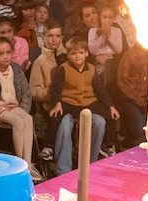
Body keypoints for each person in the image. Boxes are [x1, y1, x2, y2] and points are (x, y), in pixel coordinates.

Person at [0, 36, 43, 182]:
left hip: (14, 105)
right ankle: (19, 163)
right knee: (18, 122)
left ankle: (28, 164)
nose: (5, 56)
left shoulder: (16, 69)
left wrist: (23, 108)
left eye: (8, 52)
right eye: (1, 54)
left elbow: (26, 92)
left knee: (28, 118)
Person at [48, 36, 118, 176]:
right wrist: (57, 103)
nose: (77, 56)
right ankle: (51, 151)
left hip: (88, 102)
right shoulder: (64, 68)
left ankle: (98, 155)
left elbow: (100, 90)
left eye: (80, 52)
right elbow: (56, 88)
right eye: (73, 53)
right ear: (68, 55)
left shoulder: (91, 69)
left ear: (86, 53)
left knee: (105, 118)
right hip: (69, 102)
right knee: (58, 118)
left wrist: (110, 105)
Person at [29, 23, 67, 161]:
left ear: (62, 38)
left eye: (57, 36)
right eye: (50, 36)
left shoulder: (69, 56)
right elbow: (34, 91)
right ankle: (58, 160)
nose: (54, 39)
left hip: (71, 100)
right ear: (44, 37)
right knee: (64, 122)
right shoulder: (40, 62)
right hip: (49, 105)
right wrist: (52, 92)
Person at [89, 4, 126, 75]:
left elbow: (119, 50)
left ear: (114, 18)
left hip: (113, 66)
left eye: (110, 17)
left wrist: (109, 36)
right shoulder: (92, 31)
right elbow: (93, 50)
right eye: (104, 17)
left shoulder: (117, 30)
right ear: (100, 18)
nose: (107, 20)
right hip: (98, 68)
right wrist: (102, 36)